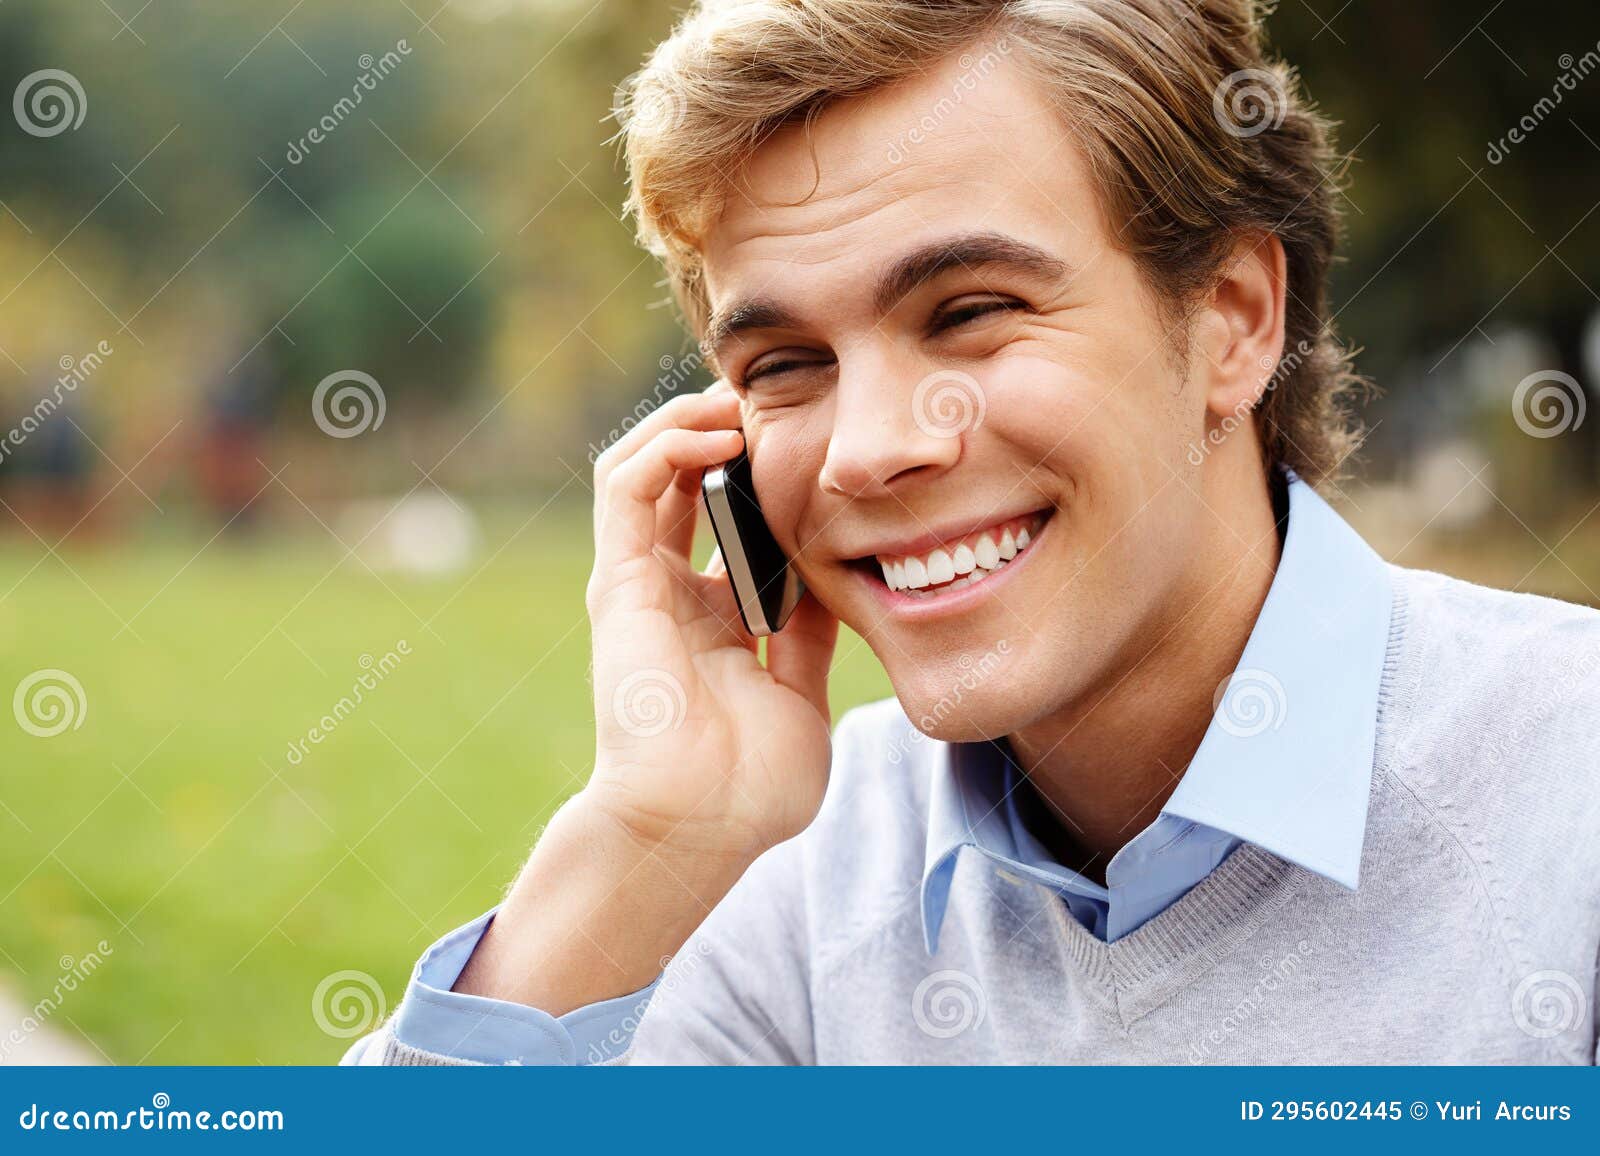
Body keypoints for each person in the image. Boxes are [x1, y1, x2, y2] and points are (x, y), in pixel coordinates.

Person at [344, 0, 1600, 1065]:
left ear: (1230, 317)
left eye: (969, 312)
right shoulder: (772, 883)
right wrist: (642, 850)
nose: (865, 448)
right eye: (784, 363)